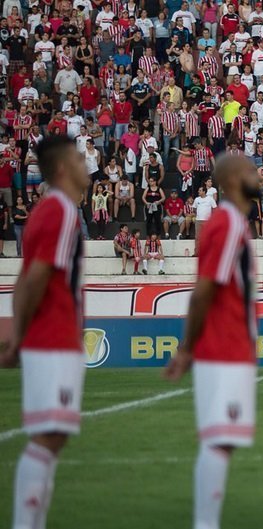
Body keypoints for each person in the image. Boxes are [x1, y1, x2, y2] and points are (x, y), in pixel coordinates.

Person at [164, 155, 261, 529]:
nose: (260, 176)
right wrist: (188, 348)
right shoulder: (225, 223)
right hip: (222, 346)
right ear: (235, 179)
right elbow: (204, 289)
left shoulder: (235, 223)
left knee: (223, 439)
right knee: (219, 439)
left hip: (232, 346)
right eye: (253, 171)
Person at [1, 136, 89, 529]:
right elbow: (36, 278)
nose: (87, 163)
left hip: (50, 336)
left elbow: (24, 279)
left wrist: (20, 332)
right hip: (53, 336)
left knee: (52, 439)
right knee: (48, 438)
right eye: (79, 158)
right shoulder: (61, 210)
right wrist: (21, 335)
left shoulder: (47, 210)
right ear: (62, 169)